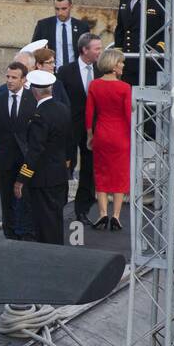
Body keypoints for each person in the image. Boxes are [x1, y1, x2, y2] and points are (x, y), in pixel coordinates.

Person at [14, 69, 73, 246]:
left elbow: (35, 151)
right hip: (59, 174)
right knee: (55, 218)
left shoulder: (40, 116)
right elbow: (69, 141)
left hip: (43, 178)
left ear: (34, 91)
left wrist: (21, 179)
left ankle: (50, 256)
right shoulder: (63, 109)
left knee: (44, 222)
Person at [0, 61, 37, 240]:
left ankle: (27, 230)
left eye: (14, 77)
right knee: (7, 196)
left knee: (26, 195)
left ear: (23, 79)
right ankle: (10, 231)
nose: (9, 80)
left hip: (26, 157)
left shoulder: (33, 99)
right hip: (5, 157)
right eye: (7, 76)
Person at [85, 48, 133, 231]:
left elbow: (89, 114)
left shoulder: (94, 85)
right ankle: (116, 216)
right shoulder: (124, 87)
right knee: (120, 175)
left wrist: (90, 135)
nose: (122, 66)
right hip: (120, 135)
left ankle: (103, 213)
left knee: (101, 173)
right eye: (120, 62)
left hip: (102, 134)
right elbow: (128, 115)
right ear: (114, 66)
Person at [60, 32, 103, 225]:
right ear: (84, 50)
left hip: (91, 129)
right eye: (97, 49)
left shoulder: (101, 70)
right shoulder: (65, 71)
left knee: (89, 169)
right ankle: (58, 204)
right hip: (70, 127)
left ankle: (82, 209)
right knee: (66, 166)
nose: (99, 52)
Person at [116, 0, 166, 87]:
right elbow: (120, 27)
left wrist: (159, 48)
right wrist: (118, 51)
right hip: (128, 60)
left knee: (149, 98)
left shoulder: (159, 0)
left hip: (149, 60)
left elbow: (167, 29)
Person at [32, 0, 89, 67]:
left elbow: (87, 51)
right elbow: (34, 49)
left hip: (74, 72)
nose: (60, 13)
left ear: (71, 6)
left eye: (64, 9)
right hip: (51, 71)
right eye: (57, 9)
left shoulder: (82, 27)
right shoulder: (43, 25)